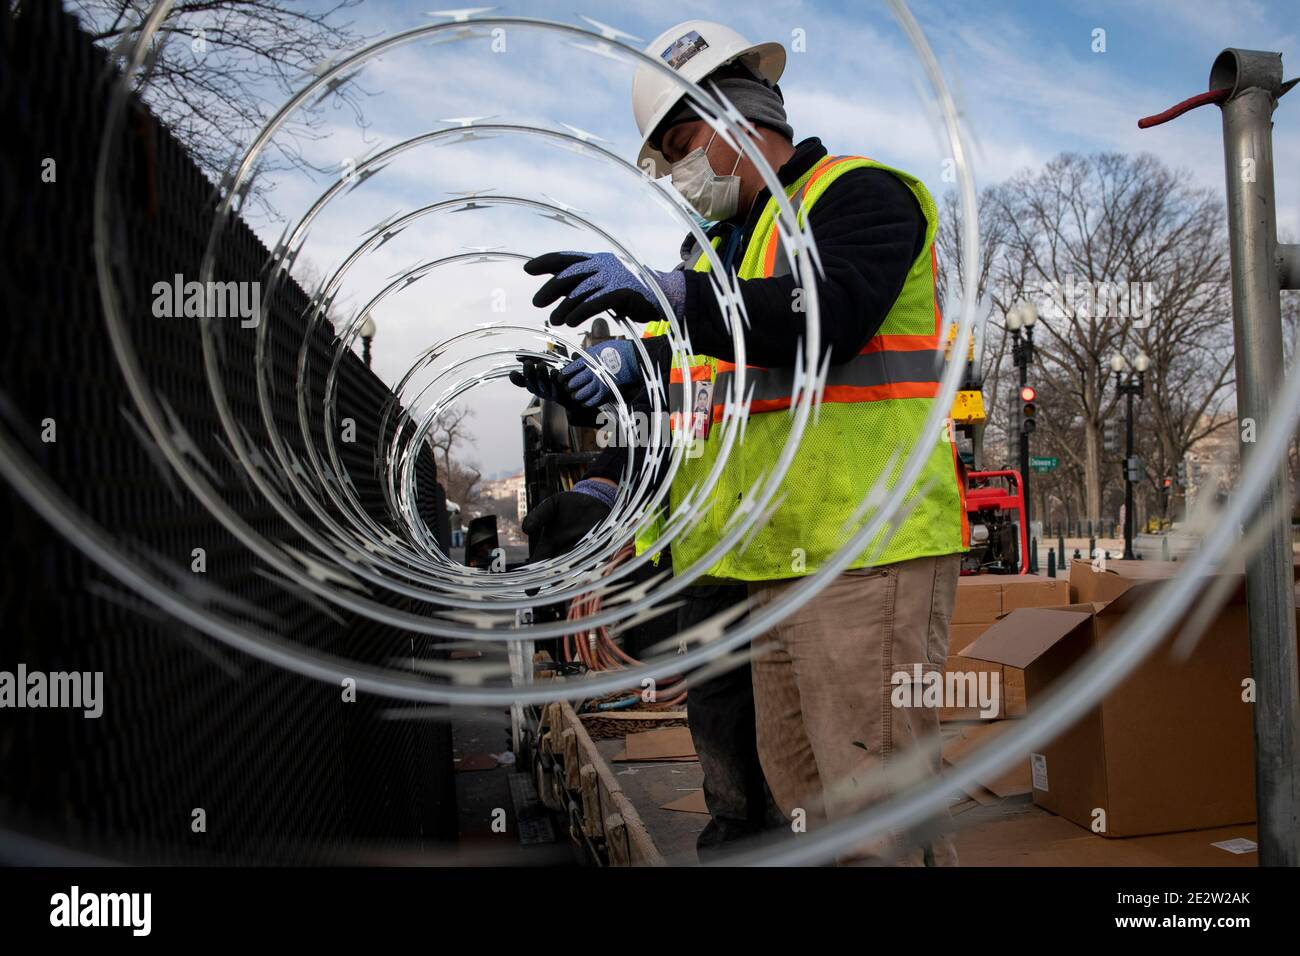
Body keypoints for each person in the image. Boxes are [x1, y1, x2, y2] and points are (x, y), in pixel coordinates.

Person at [517, 19, 967, 864]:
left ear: (737, 122)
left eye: (683, 145)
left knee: (873, 820)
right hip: (773, 568)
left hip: (864, 553)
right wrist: (621, 372)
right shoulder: (730, 248)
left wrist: (674, 299)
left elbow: (824, 315)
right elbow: (708, 394)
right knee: (805, 812)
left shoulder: (858, 195)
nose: (676, 175)